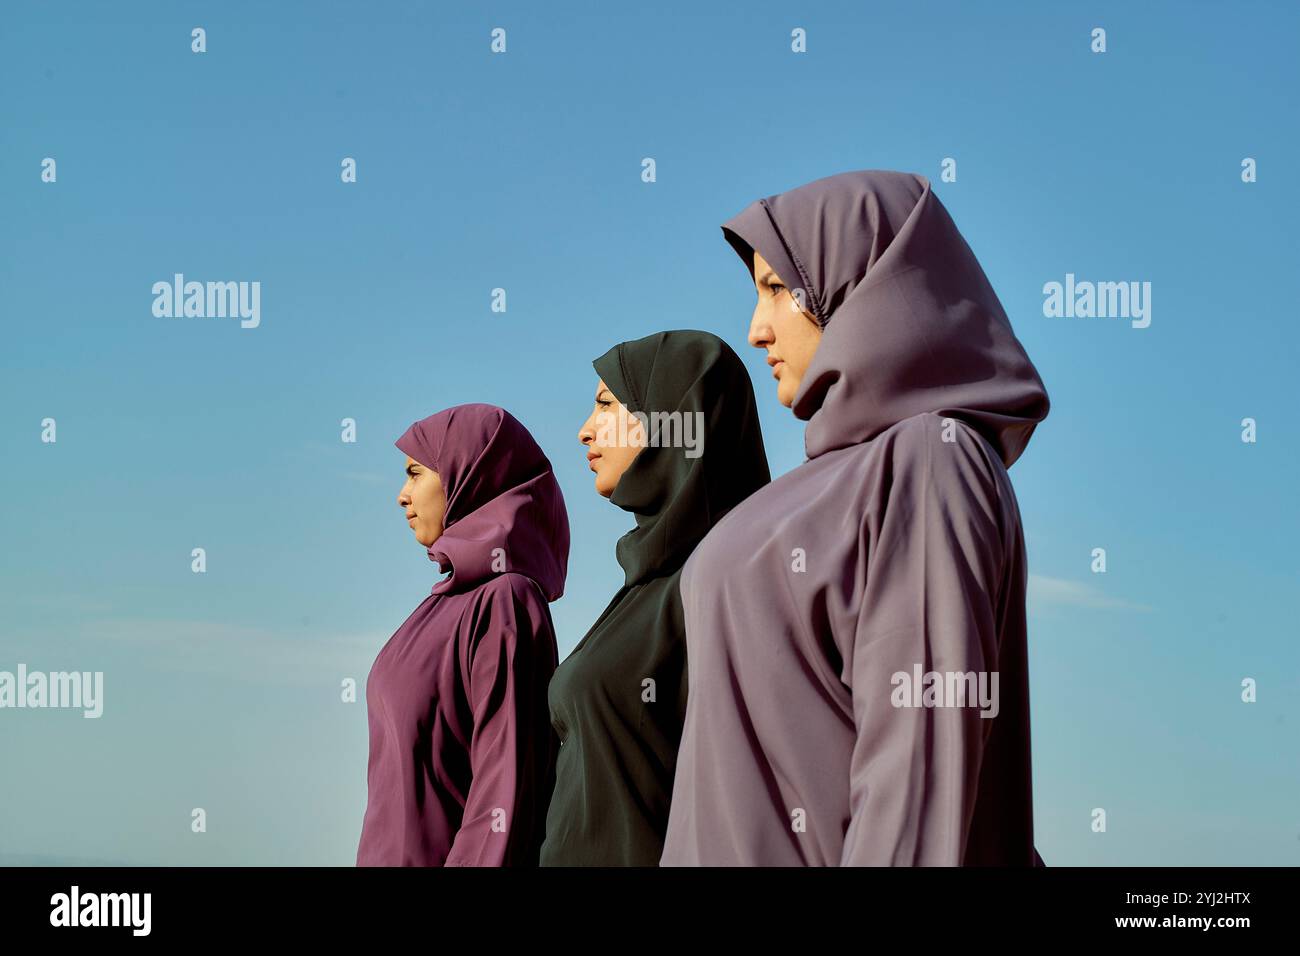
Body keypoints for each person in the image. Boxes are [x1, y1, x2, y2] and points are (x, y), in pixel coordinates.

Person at [661, 170, 1051, 866]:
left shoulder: (931, 458)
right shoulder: (822, 486)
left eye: (777, 289)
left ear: (864, 283)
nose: (755, 329)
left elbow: (917, 783)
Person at [540, 330, 770, 866]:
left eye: (605, 404)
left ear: (671, 417)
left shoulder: (724, 586)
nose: (583, 430)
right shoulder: (641, 589)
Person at [357, 403, 569, 866]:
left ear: (468, 474)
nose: (401, 495)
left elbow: (504, 792)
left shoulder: (504, 601)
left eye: (415, 473)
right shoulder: (437, 608)